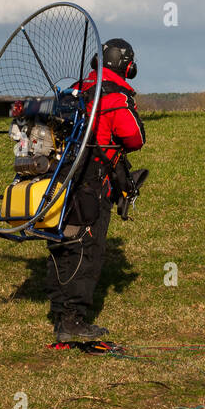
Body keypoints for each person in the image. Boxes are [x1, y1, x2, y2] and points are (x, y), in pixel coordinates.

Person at [48, 38, 147, 344]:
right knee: (88, 247)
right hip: (91, 180)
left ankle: (60, 313)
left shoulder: (78, 88)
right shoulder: (114, 96)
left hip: (62, 176)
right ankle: (74, 320)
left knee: (63, 241)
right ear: (125, 65)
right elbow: (133, 138)